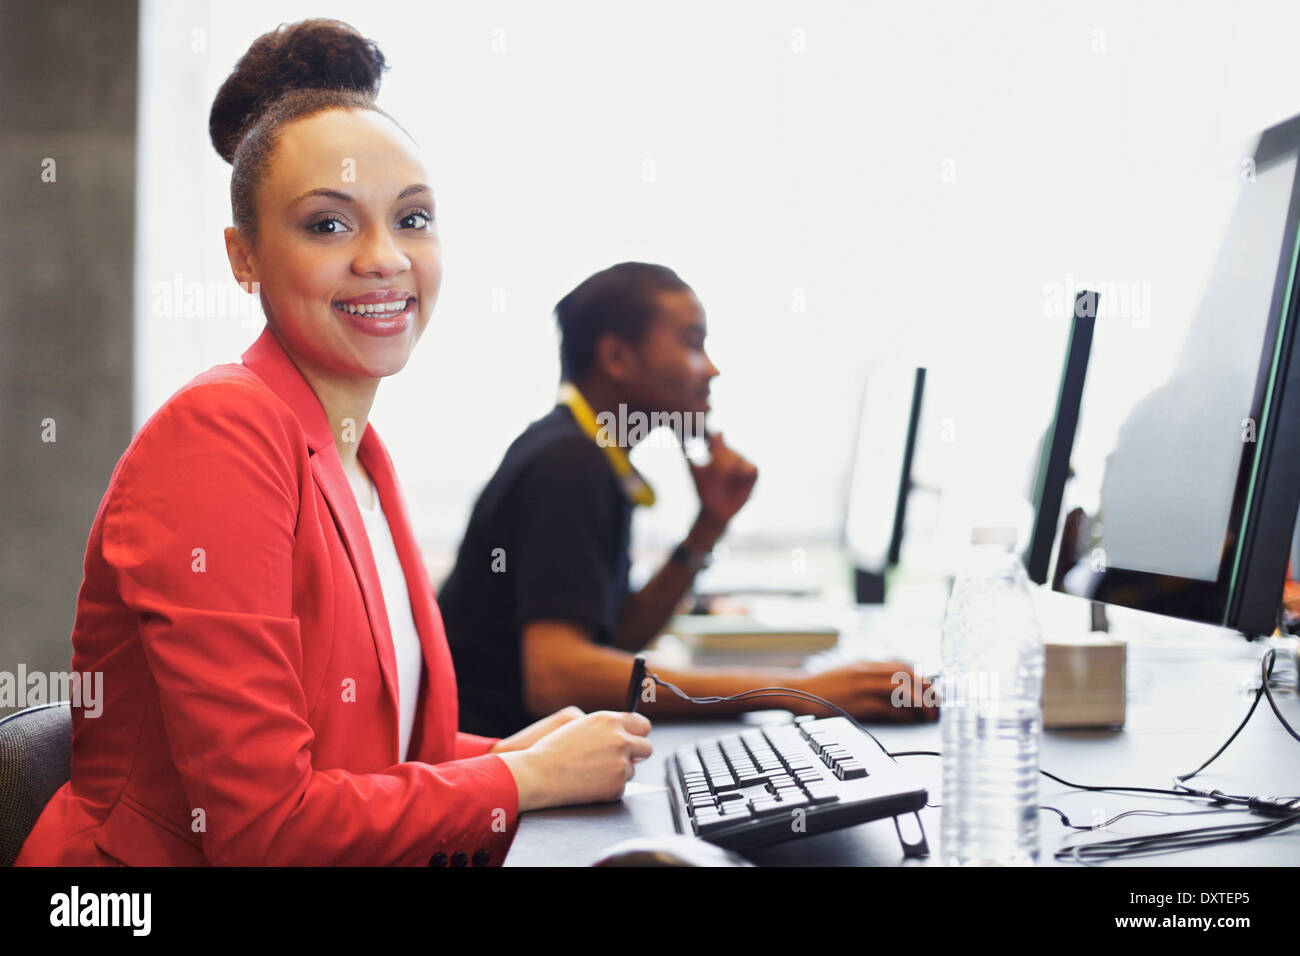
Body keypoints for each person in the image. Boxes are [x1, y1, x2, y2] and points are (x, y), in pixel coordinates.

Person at [15, 19, 650, 868]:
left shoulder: (359, 456)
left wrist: (512, 758)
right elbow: (264, 830)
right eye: (327, 226)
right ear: (244, 257)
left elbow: (362, 761)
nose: (384, 259)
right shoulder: (220, 436)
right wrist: (521, 782)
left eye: (412, 219)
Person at [438, 262, 938, 738]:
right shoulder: (569, 463)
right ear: (616, 358)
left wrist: (709, 525)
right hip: (499, 778)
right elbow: (557, 679)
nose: (713, 369)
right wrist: (794, 690)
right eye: (693, 343)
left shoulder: (589, 453)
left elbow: (614, 640)